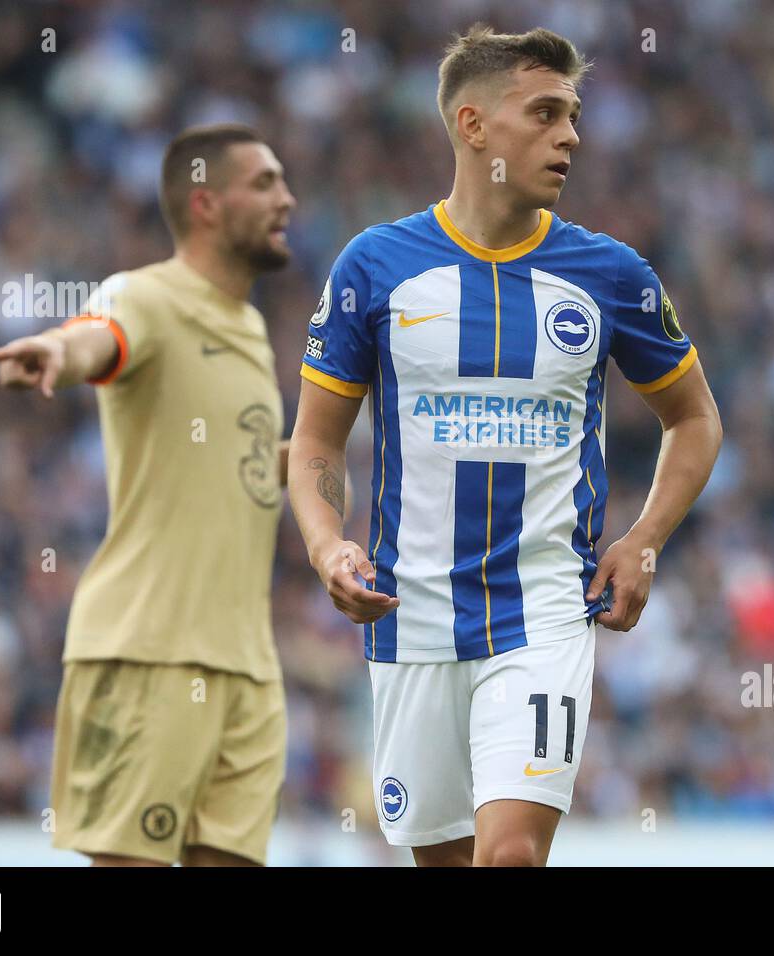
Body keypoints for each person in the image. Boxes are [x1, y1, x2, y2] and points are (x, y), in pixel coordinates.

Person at [287, 26, 723, 866]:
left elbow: (695, 418)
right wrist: (324, 545)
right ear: (473, 125)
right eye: (547, 113)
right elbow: (313, 442)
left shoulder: (610, 275)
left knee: (512, 855)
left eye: (574, 115)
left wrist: (644, 541)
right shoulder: (374, 268)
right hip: (409, 616)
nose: (571, 136)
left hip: (544, 612)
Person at [0, 124, 296, 866]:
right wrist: (58, 348)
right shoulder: (147, 294)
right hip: (152, 649)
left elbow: (236, 465)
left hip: (249, 665)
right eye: (266, 183)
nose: (288, 199)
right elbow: (100, 334)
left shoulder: (247, 326)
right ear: (206, 204)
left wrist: (307, 462)